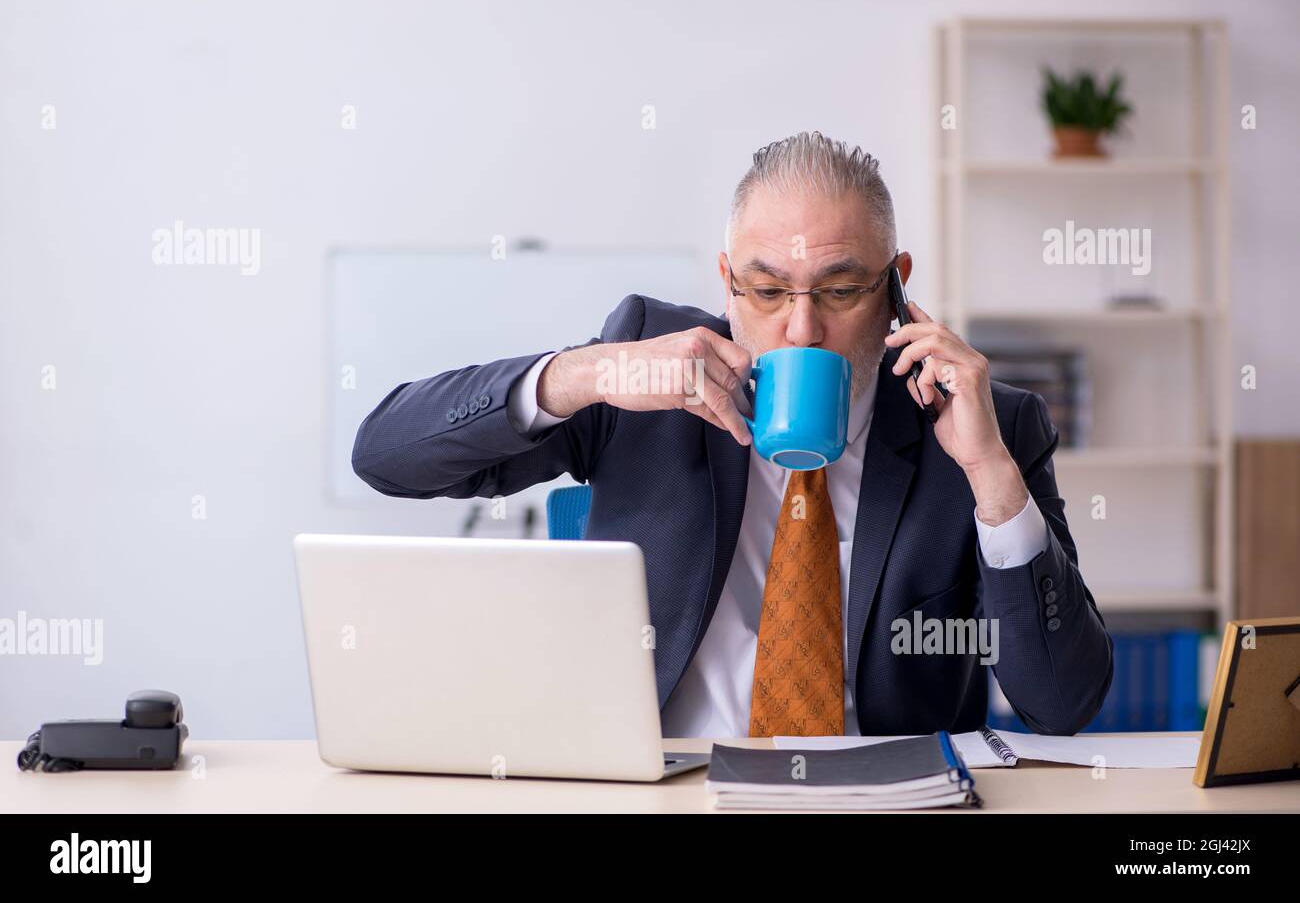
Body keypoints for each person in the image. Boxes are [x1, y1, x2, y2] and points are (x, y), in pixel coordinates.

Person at [352, 131, 1113, 737]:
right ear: (726, 283)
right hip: (670, 791)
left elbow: (1063, 703)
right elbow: (385, 454)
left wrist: (990, 475)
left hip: (886, 800)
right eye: (768, 289)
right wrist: (584, 375)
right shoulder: (649, 365)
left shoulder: (987, 422)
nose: (802, 328)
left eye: (843, 290)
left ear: (896, 286)